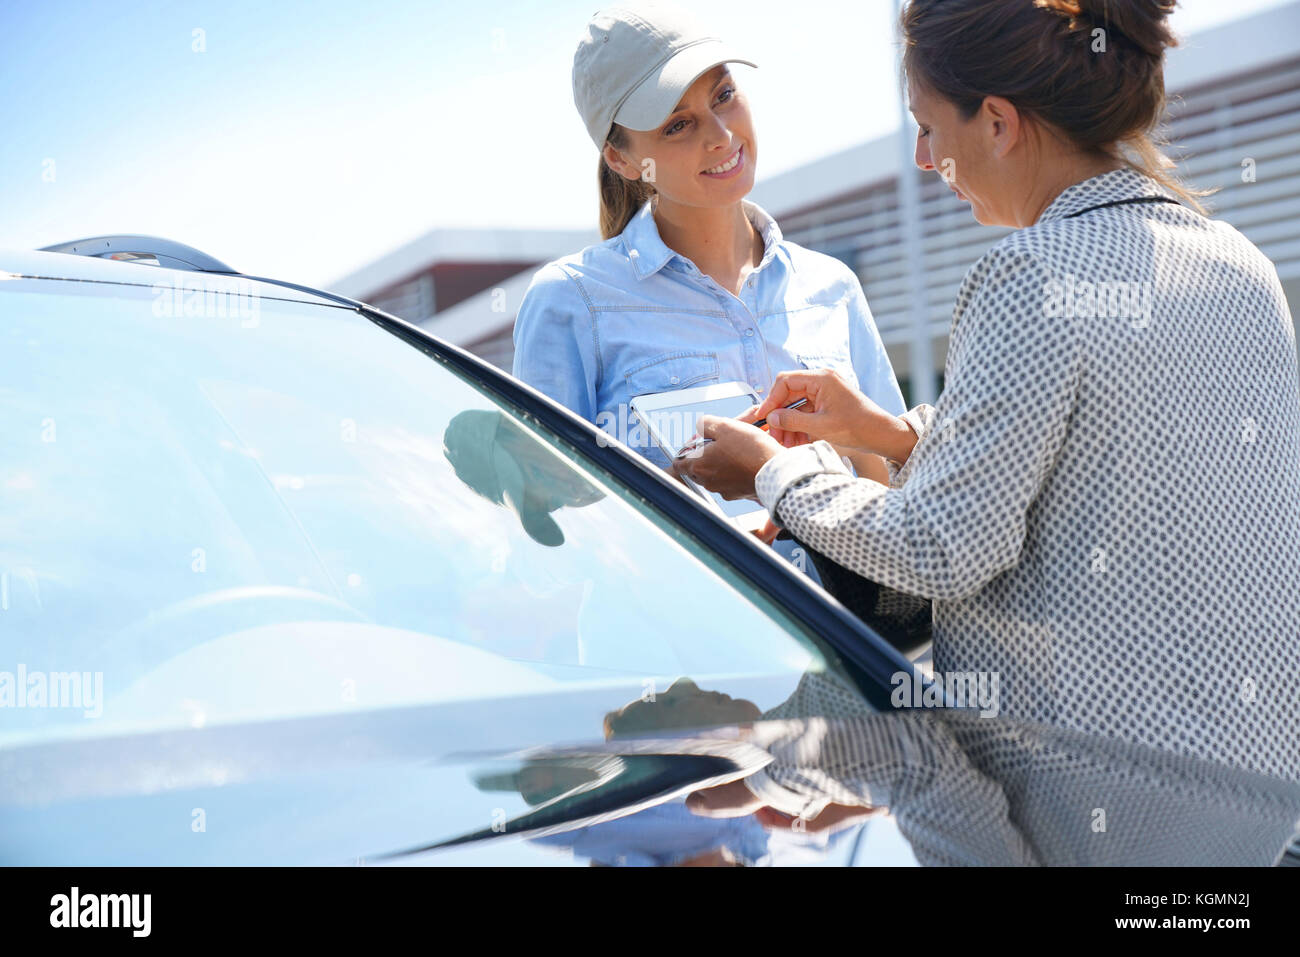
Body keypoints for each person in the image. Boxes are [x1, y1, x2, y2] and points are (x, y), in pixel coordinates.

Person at [677, 0, 1300, 783]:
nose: (921, 156)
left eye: (930, 127)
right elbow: (1097, 454)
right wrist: (889, 433)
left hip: (1091, 801)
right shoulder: (1238, 264)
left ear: (999, 123)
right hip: (1253, 804)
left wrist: (772, 472)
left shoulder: (1030, 273)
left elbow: (939, 548)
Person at [511, 2, 906, 581]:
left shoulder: (831, 287)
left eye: (723, 95)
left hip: (845, 645)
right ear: (621, 158)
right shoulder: (571, 301)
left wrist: (839, 453)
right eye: (677, 124)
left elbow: (900, 483)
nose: (722, 136)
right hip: (678, 665)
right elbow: (542, 526)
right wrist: (675, 500)